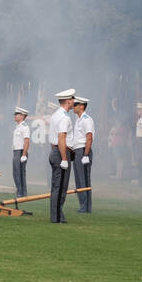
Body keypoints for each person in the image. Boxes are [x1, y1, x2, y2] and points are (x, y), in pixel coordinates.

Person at [49, 89, 76, 223]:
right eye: (72, 99)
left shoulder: (55, 115)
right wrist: (64, 158)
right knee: (60, 188)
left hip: (56, 151)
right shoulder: (64, 117)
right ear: (68, 101)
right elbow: (61, 137)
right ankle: (57, 217)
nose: (74, 102)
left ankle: (56, 215)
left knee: (56, 187)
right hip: (61, 153)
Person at [72, 97, 95, 212]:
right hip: (77, 151)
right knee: (79, 180)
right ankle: (83, 205)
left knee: (84, 180)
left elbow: (89, 138)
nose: (73, 106)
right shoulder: (78, 119)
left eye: (75, 104)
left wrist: (85, 155)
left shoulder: (86, 120)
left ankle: (85, 206)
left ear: (82, 106)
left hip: (83, 151)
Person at [11, 107, 30, 198]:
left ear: (22, 116)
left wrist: (24, 154)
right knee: (16, 173)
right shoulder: (18, 127)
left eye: (16, 114)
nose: (15, 116)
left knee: (20, 173)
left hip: (21, 151)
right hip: (16, 151)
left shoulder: (24, 127)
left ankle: (21, 192)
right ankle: (20, 191)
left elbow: (26, 141)